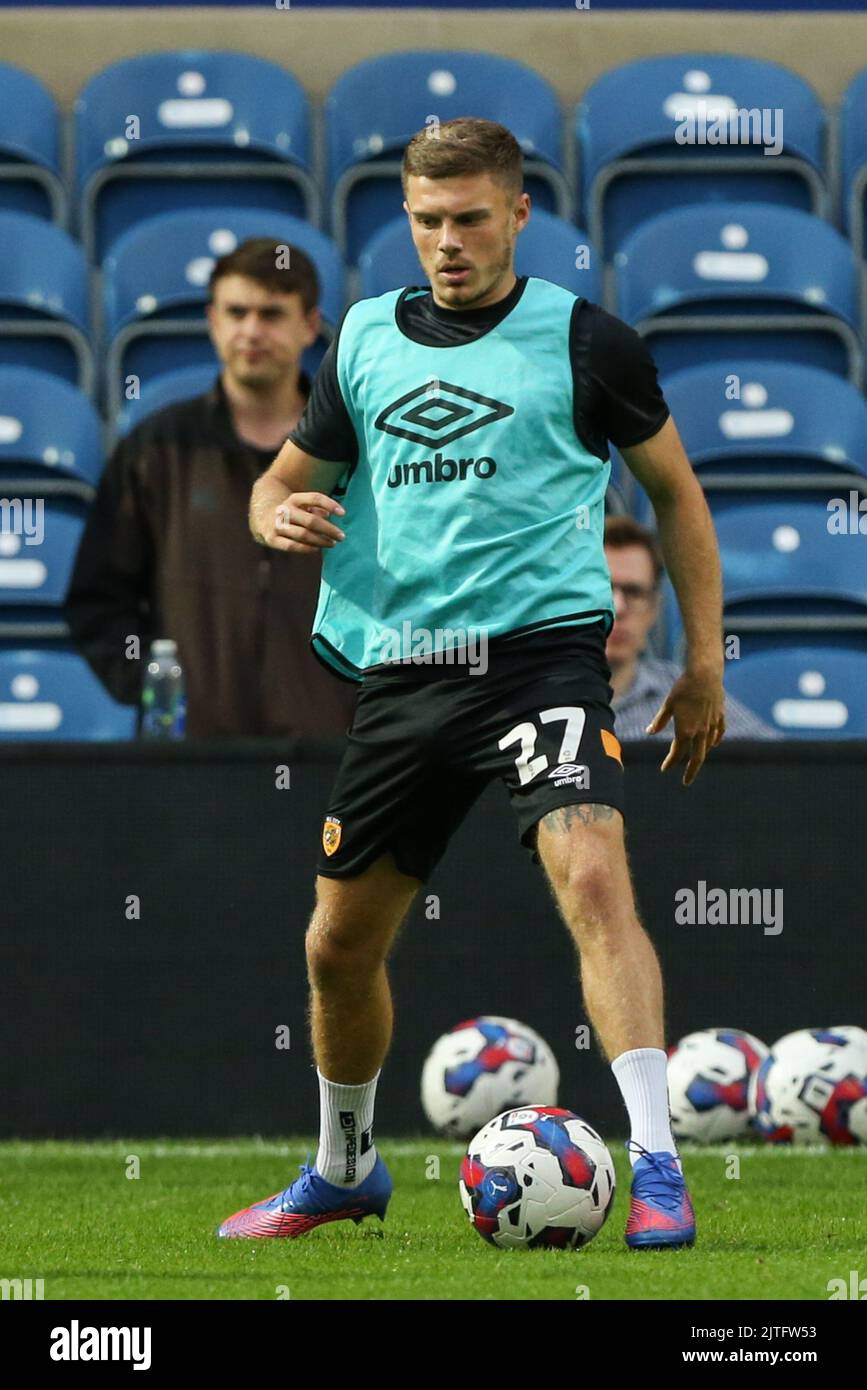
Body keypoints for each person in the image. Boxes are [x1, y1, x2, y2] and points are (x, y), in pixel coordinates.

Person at [219, 119, 725, 1248]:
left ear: (518, 213)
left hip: (541, 656)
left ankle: (656, 1165)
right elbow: (281, 479)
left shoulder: (589, 341)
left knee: (593, 877)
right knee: (335, 947)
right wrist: (274, 510)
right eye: (426, 220)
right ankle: (346, 1167)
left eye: (469, 219)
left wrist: (700, 659)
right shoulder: (361, 340)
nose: (446, 242)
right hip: (407, 672)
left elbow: (679, 496)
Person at [65, 238, 357, 737]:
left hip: (335, 753)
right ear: (213, 321)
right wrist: (153, 688)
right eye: (236, 312)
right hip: (191, 762)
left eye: (271, 314)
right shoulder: (155, 450)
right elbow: (97, 602)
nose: (251, 330)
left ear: (310, 325)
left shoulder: (359, 454)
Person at [605, 516, 779, 739]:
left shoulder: (686, 696)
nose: (618, 608)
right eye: (604, 590)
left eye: (634, 592)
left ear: (654, 608)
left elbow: (778, 761)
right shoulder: (546, 698)